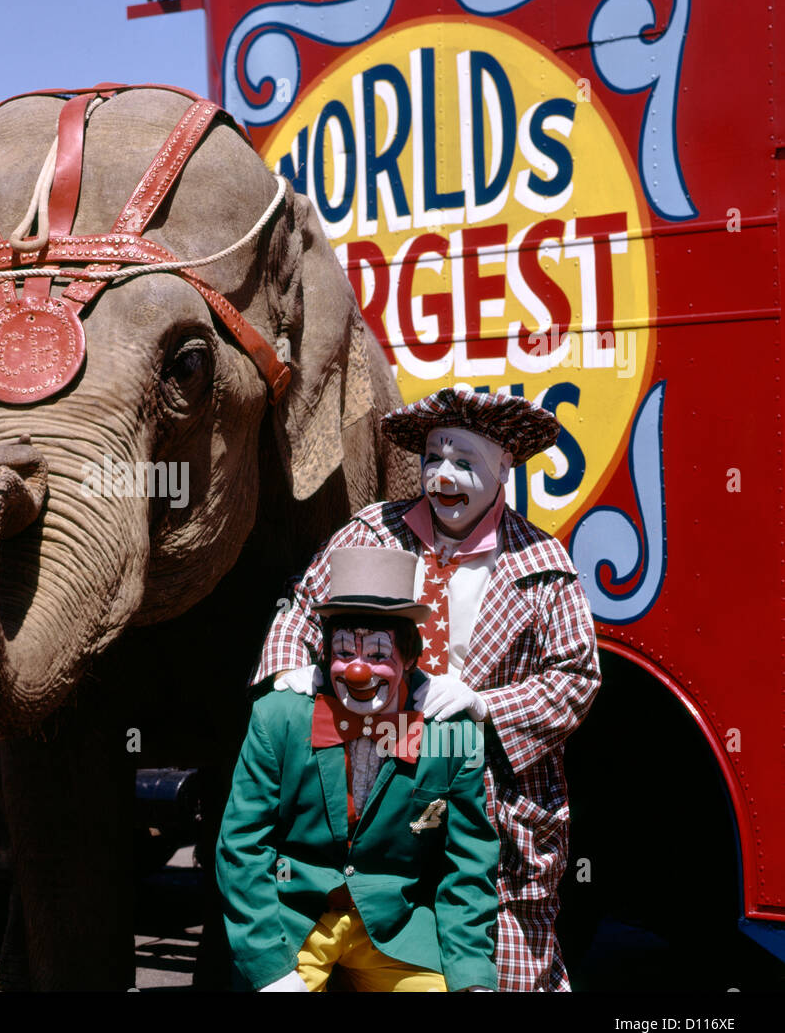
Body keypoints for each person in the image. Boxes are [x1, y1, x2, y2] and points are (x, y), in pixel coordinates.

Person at [253, 387, 600, 992]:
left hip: (492, 795)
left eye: (465, 462)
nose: (444, 475)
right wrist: (295, 677)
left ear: (502, 468)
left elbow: (577, 677)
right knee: (373, 939)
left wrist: (485, 704)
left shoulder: (541, 561)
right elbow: (302, 610)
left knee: (498, 965)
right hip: (381, 785)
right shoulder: (373, 531)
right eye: (434, 457)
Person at [218, 546, 499, 992]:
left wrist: (472, 977)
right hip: (294, 924)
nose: (357, 670)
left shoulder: (452, 732)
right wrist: (269, 966)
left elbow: (467, 864)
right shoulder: (279, 716)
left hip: (397, 931)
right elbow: (241, 849)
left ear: (409, 657)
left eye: (376, 653)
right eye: (344, 651)